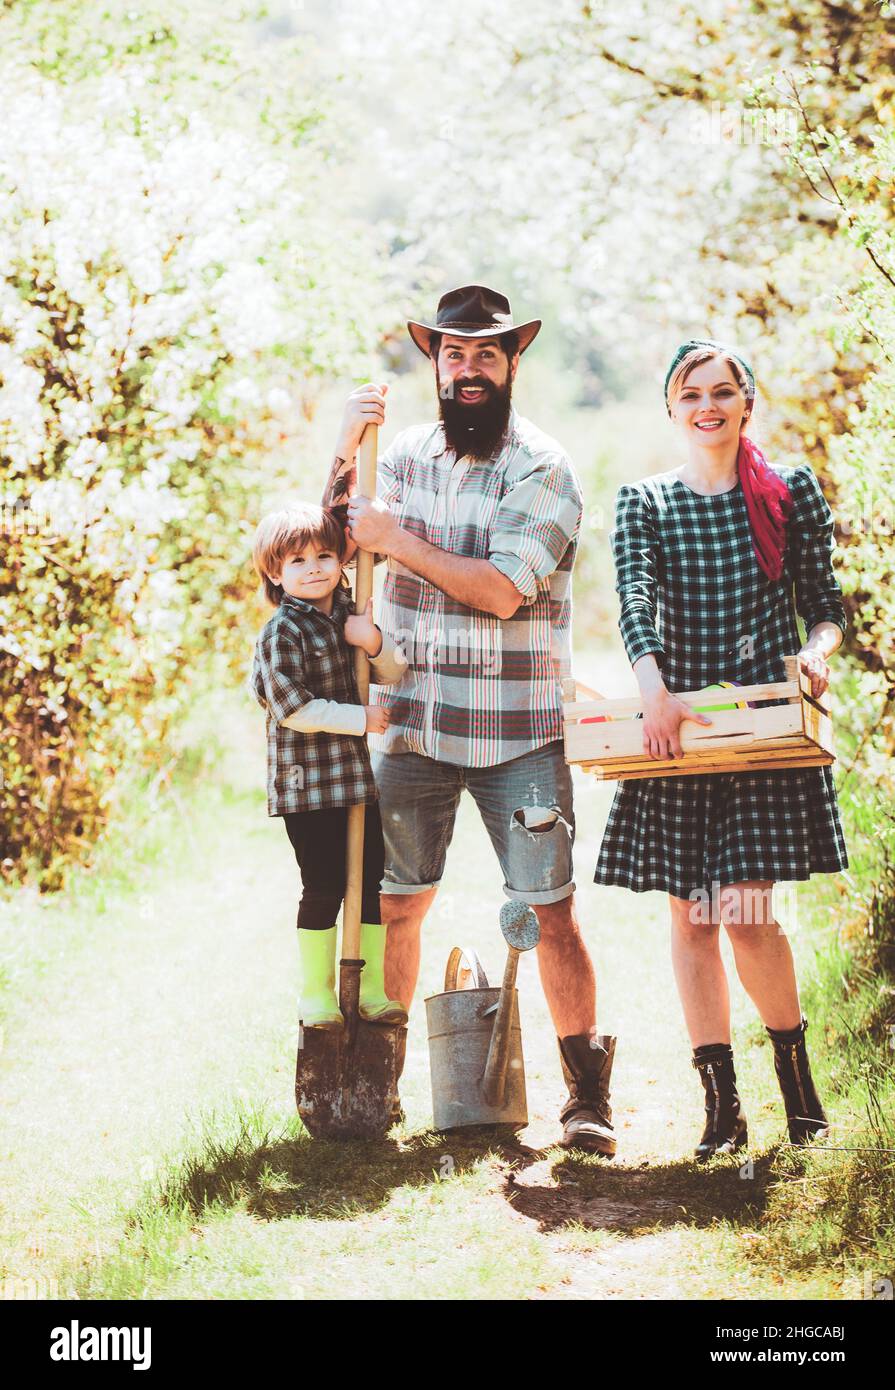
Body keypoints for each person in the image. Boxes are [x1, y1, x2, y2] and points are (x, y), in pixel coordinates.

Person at [322, 285, 615, 1153]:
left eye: (487, 352)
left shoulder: (544, 467)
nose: (469, 367)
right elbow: (328, 546)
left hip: (517, 731)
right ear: (436, 364)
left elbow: (495, 591)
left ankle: (586, 1098)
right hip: (411, 724)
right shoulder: (399, 454)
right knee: (394, 907)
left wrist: (396, 541)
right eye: (454, 353)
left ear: (512, 362)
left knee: (548, 910)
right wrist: (344, 445)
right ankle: (376, 1089)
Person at [594, 339, 847, 1160]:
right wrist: (651, 688)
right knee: (691, 917)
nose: (706, 404)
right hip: (678, 728)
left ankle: (799, 1096)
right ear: (671, 409)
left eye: (721, 391)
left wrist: (815, 653)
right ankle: (720, 1107)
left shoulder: (788, 491)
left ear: (746, 402)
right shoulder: (644, 502)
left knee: (744, 911)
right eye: (689, 393)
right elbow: (633, 597)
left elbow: (824, 604)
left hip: (761, 728)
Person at [250, 502, 408, 1031]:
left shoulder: (347, 613)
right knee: (323, 884)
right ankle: (315, 993)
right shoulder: (280, 633)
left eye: (324, 555)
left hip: (354, 781)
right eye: (297, 562)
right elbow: (292, 708)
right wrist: (358, 718)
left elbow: (392, 670)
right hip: (307, 784)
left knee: (368, 883)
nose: (314, 568)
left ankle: (369, 988)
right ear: (275, 574)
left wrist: (375, 642)